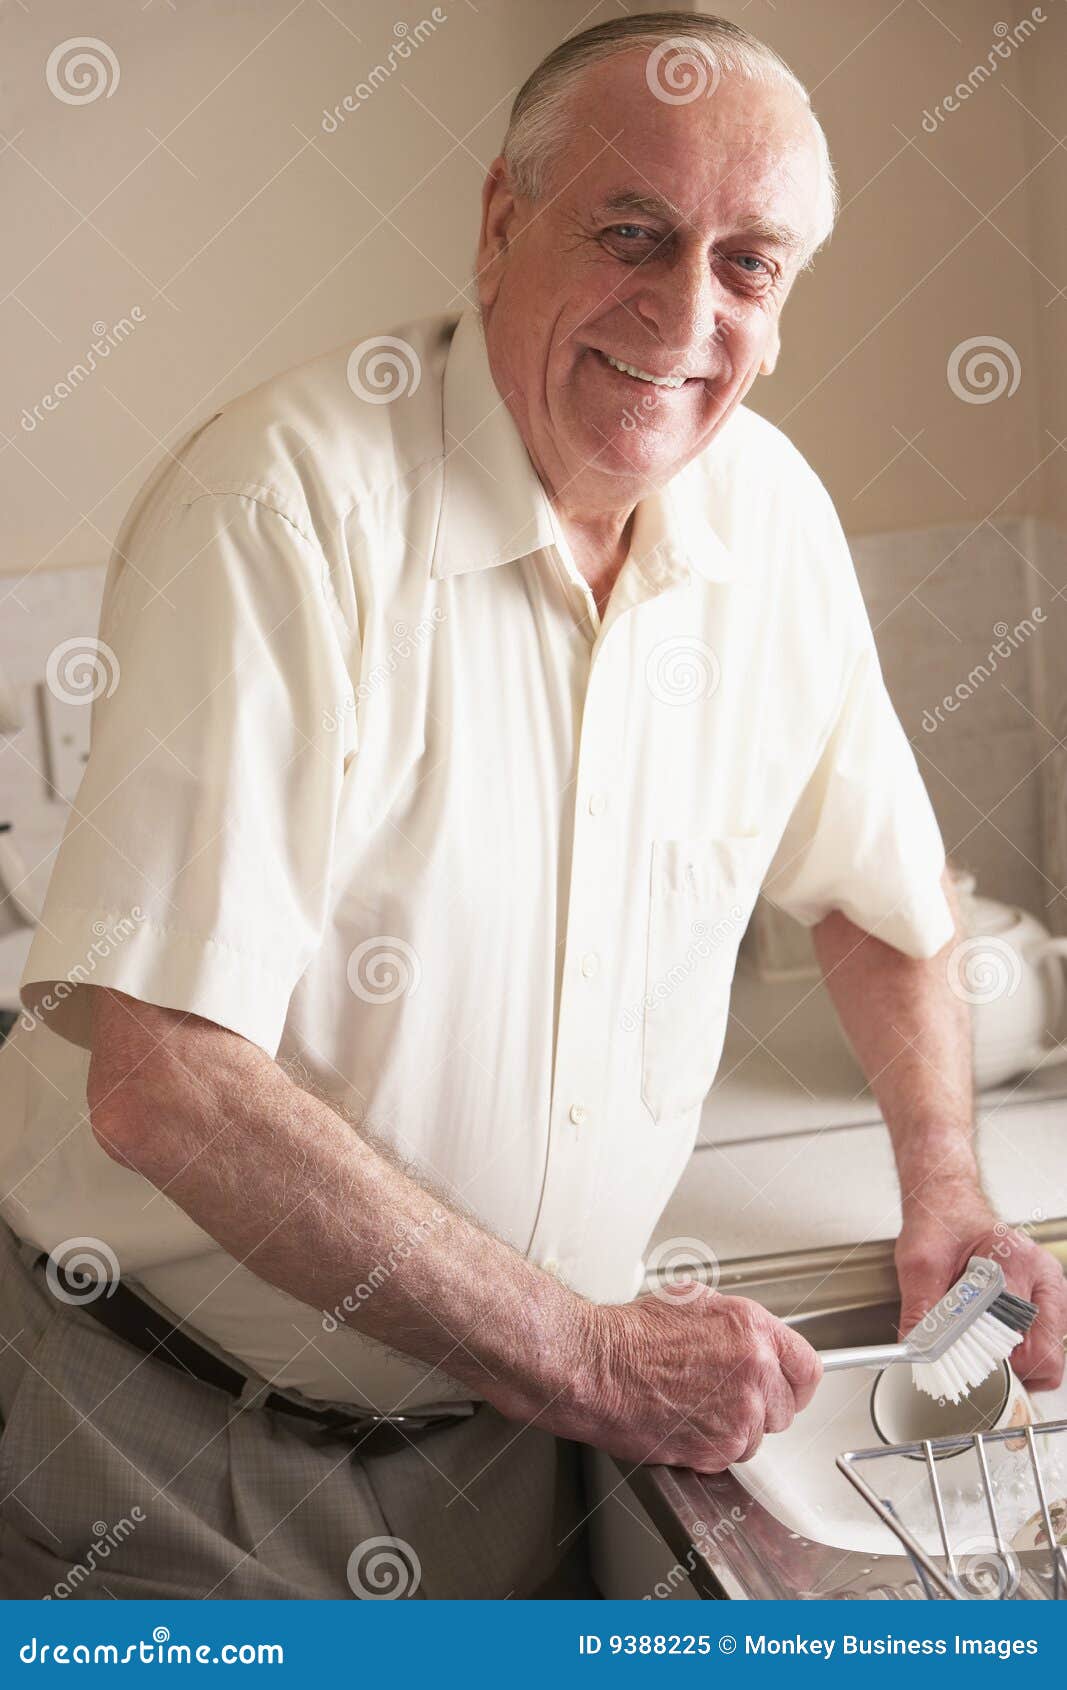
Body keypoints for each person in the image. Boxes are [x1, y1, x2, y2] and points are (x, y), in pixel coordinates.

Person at [1, 12, 1064, 1601]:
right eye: (633, 234)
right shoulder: (285, 507)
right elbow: (166, 1083)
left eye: (748, 265)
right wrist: (584, 1353)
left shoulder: (771, 522)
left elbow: (881, 899)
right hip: (164, 1430)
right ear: (503, 225)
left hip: (509, 1445)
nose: (685, 312)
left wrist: (948, 1191)